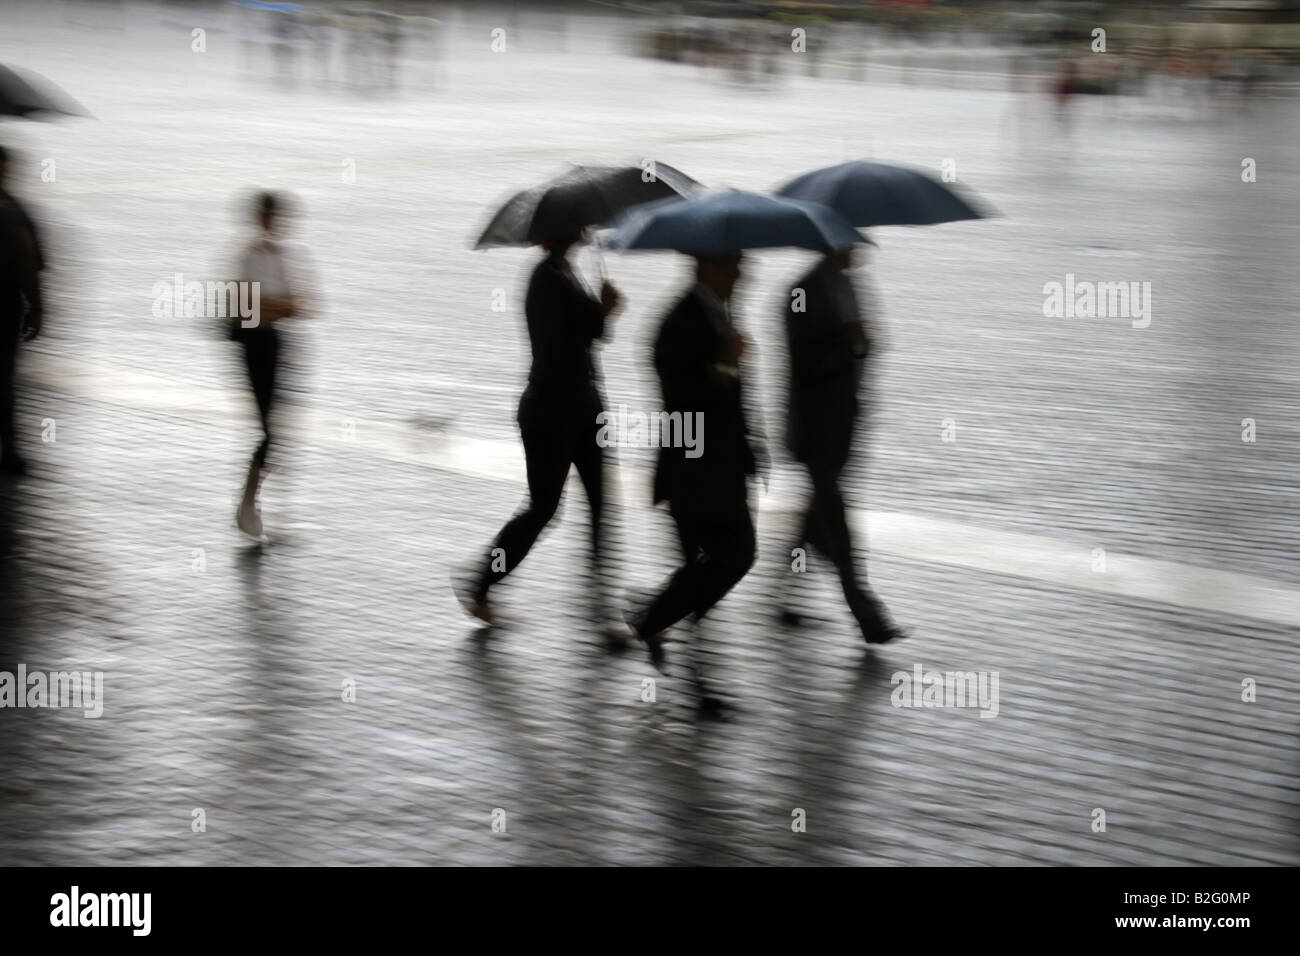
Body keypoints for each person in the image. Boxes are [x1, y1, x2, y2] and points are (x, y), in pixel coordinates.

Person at [454, 236, 624, 632]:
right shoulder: (545, 279)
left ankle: (601, 608)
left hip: (584, 408)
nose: (583, 231)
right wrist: (603, 311)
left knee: (601, 505)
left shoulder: (565, 272)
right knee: (544, 508)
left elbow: (589, 335)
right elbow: (561, 343)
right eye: (574, 226)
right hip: (551, 412)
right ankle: (480, 583)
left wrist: (604, 312)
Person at [627, 254, 763, 677]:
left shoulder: (719, 312)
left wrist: (751, 452)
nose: (743, 274)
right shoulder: (679, 321)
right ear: (707, 266)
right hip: (696, 469)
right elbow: (680, 399)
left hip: (718, 466)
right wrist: (725, 363)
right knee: (733, 556)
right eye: (734, 265)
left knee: (706, 566)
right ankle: (651, 619)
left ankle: (661, 629)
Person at [779, 247, 903, 644]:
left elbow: (861, 349)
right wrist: (846, 343)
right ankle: (864, 609)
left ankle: (785, 587)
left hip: (844, 416)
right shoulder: (801, 292)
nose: (861, 250)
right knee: (833, 508)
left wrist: (863, 344)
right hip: (816, 422)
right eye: (851, 243)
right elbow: (803, 361)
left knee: (819, 511)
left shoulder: (848, 287)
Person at [230, 190, 303, 540]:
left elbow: (302, 304)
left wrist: (268, 305)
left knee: (279, 430)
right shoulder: (249, 257)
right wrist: (276, 305)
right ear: (262, 218)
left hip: (275, 343)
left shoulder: (280, 257)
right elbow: (247, 310)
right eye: (274, 216)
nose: (279, 223)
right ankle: (247, 503)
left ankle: (252, 503)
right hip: (255, 346)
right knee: (269, 431)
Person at [0, 146, 45, 477]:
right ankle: (11, 452)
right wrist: (38, 306)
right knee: (4, 381)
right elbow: (30, 264)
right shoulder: (15, 213)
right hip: (5, 305)